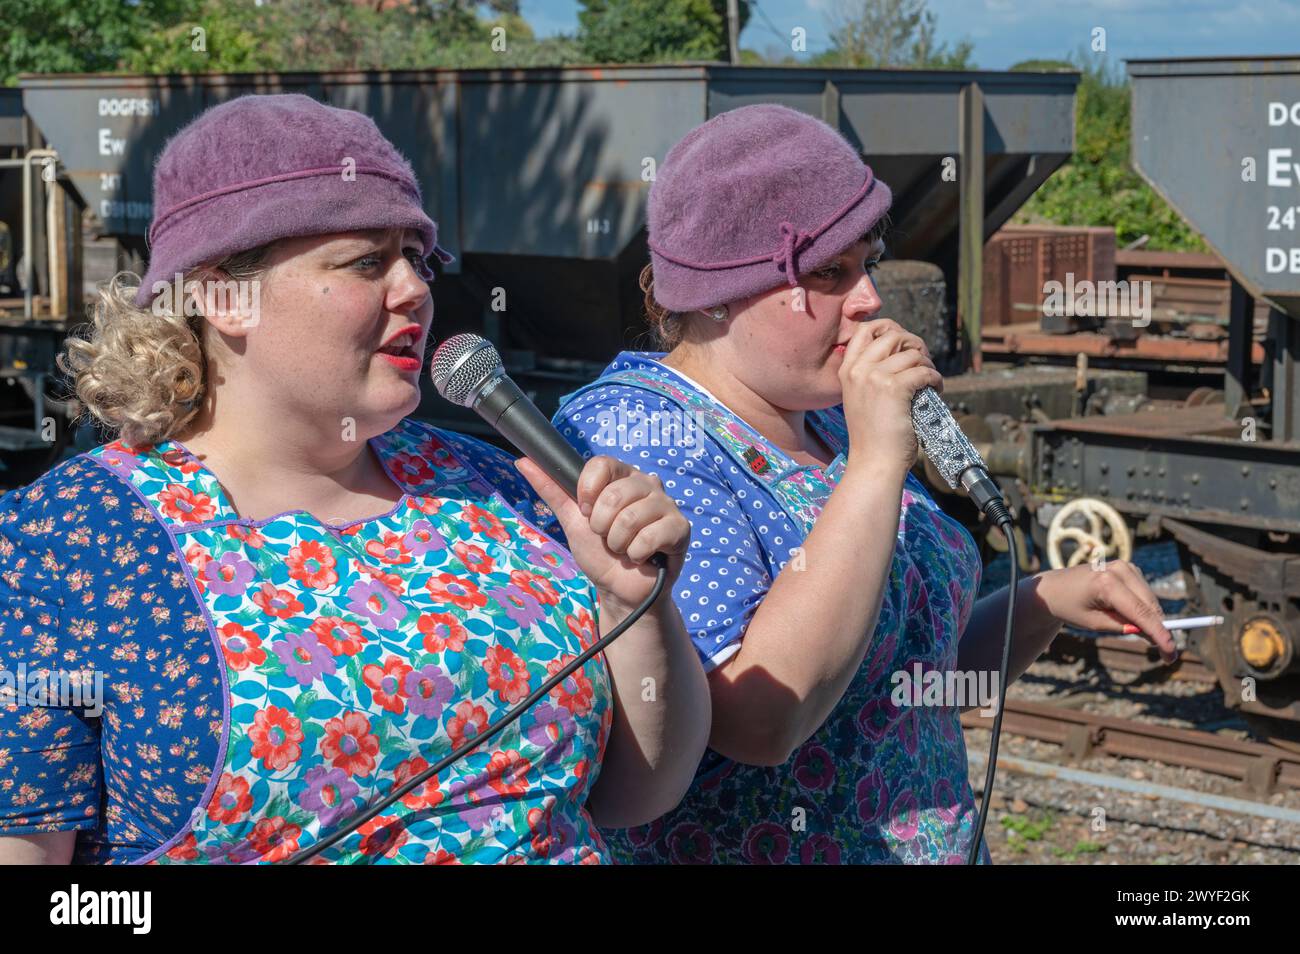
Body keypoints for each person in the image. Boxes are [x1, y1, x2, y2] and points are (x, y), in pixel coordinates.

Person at [0, 93, 710, 865]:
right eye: (367, 261)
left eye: (418, 257)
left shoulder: (492, 486)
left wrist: (630, 606)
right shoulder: (69, 540)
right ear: (220, 296)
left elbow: (639, 796)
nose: (415, 289)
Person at [552, 103, 1177, 864]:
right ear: (716, 293)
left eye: (868, 262)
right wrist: (880, 465)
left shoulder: (832, 420)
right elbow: (758, 720)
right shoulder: (640, 436)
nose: (869, 298)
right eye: (828, 272)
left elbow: (905, 689)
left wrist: (1043, 601)